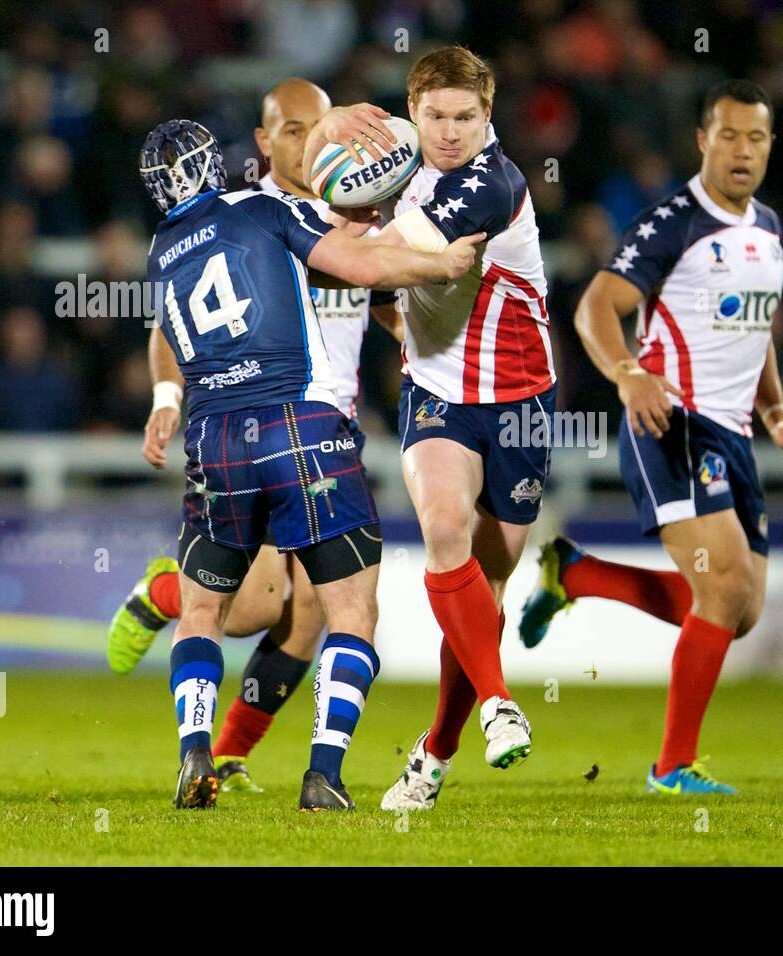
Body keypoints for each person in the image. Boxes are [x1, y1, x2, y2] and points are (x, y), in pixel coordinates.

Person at [137, 117, 481, 810]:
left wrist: (351, 225)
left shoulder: (161, 252)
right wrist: (439, 265)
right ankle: (323, 773)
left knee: (203, 612)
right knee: (350, 613)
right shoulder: (264, 208)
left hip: (216, 441)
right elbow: (353, 269)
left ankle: (195, 753)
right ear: (216, 163)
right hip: (302, 424)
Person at [519, 80, 783, 795]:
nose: (743, 150)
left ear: (770, 146)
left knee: (738, 612)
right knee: (726, 589)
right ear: (702, 141)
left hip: (735, 435)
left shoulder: (769, 229)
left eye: (756, 138)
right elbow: (597, 304)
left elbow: (756, 337)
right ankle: (672, 767)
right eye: (729, 136)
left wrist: (778, 420)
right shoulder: (674, 223)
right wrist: (628, 375)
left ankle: (577, 575)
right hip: (671, 425)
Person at [107, 80, 401, 795]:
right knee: (264, 608)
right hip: (272, 429)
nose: (310, 142)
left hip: (328, 429)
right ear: (265, 142)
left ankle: (227, 756)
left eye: (320, 127)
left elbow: (394, 311)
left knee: (308, 621)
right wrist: (167, 395)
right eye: (293, 131)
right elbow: (168, 326)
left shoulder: (348, 211)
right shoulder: (251, 215)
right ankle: (169, 593)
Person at [305, 46, 557, 810]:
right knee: (445, 527)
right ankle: (499, 706)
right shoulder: (395, 163)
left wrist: (341, 234)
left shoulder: (493, 183)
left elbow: (351, 263)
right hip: (438, 396)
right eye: (436, 117)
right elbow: (343, 240)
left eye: (466, 117)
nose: (450, 133)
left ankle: (436, 748)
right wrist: (323, 126)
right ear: (412, 114)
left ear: (489, 117)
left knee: (490, 583)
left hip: (520, 402)